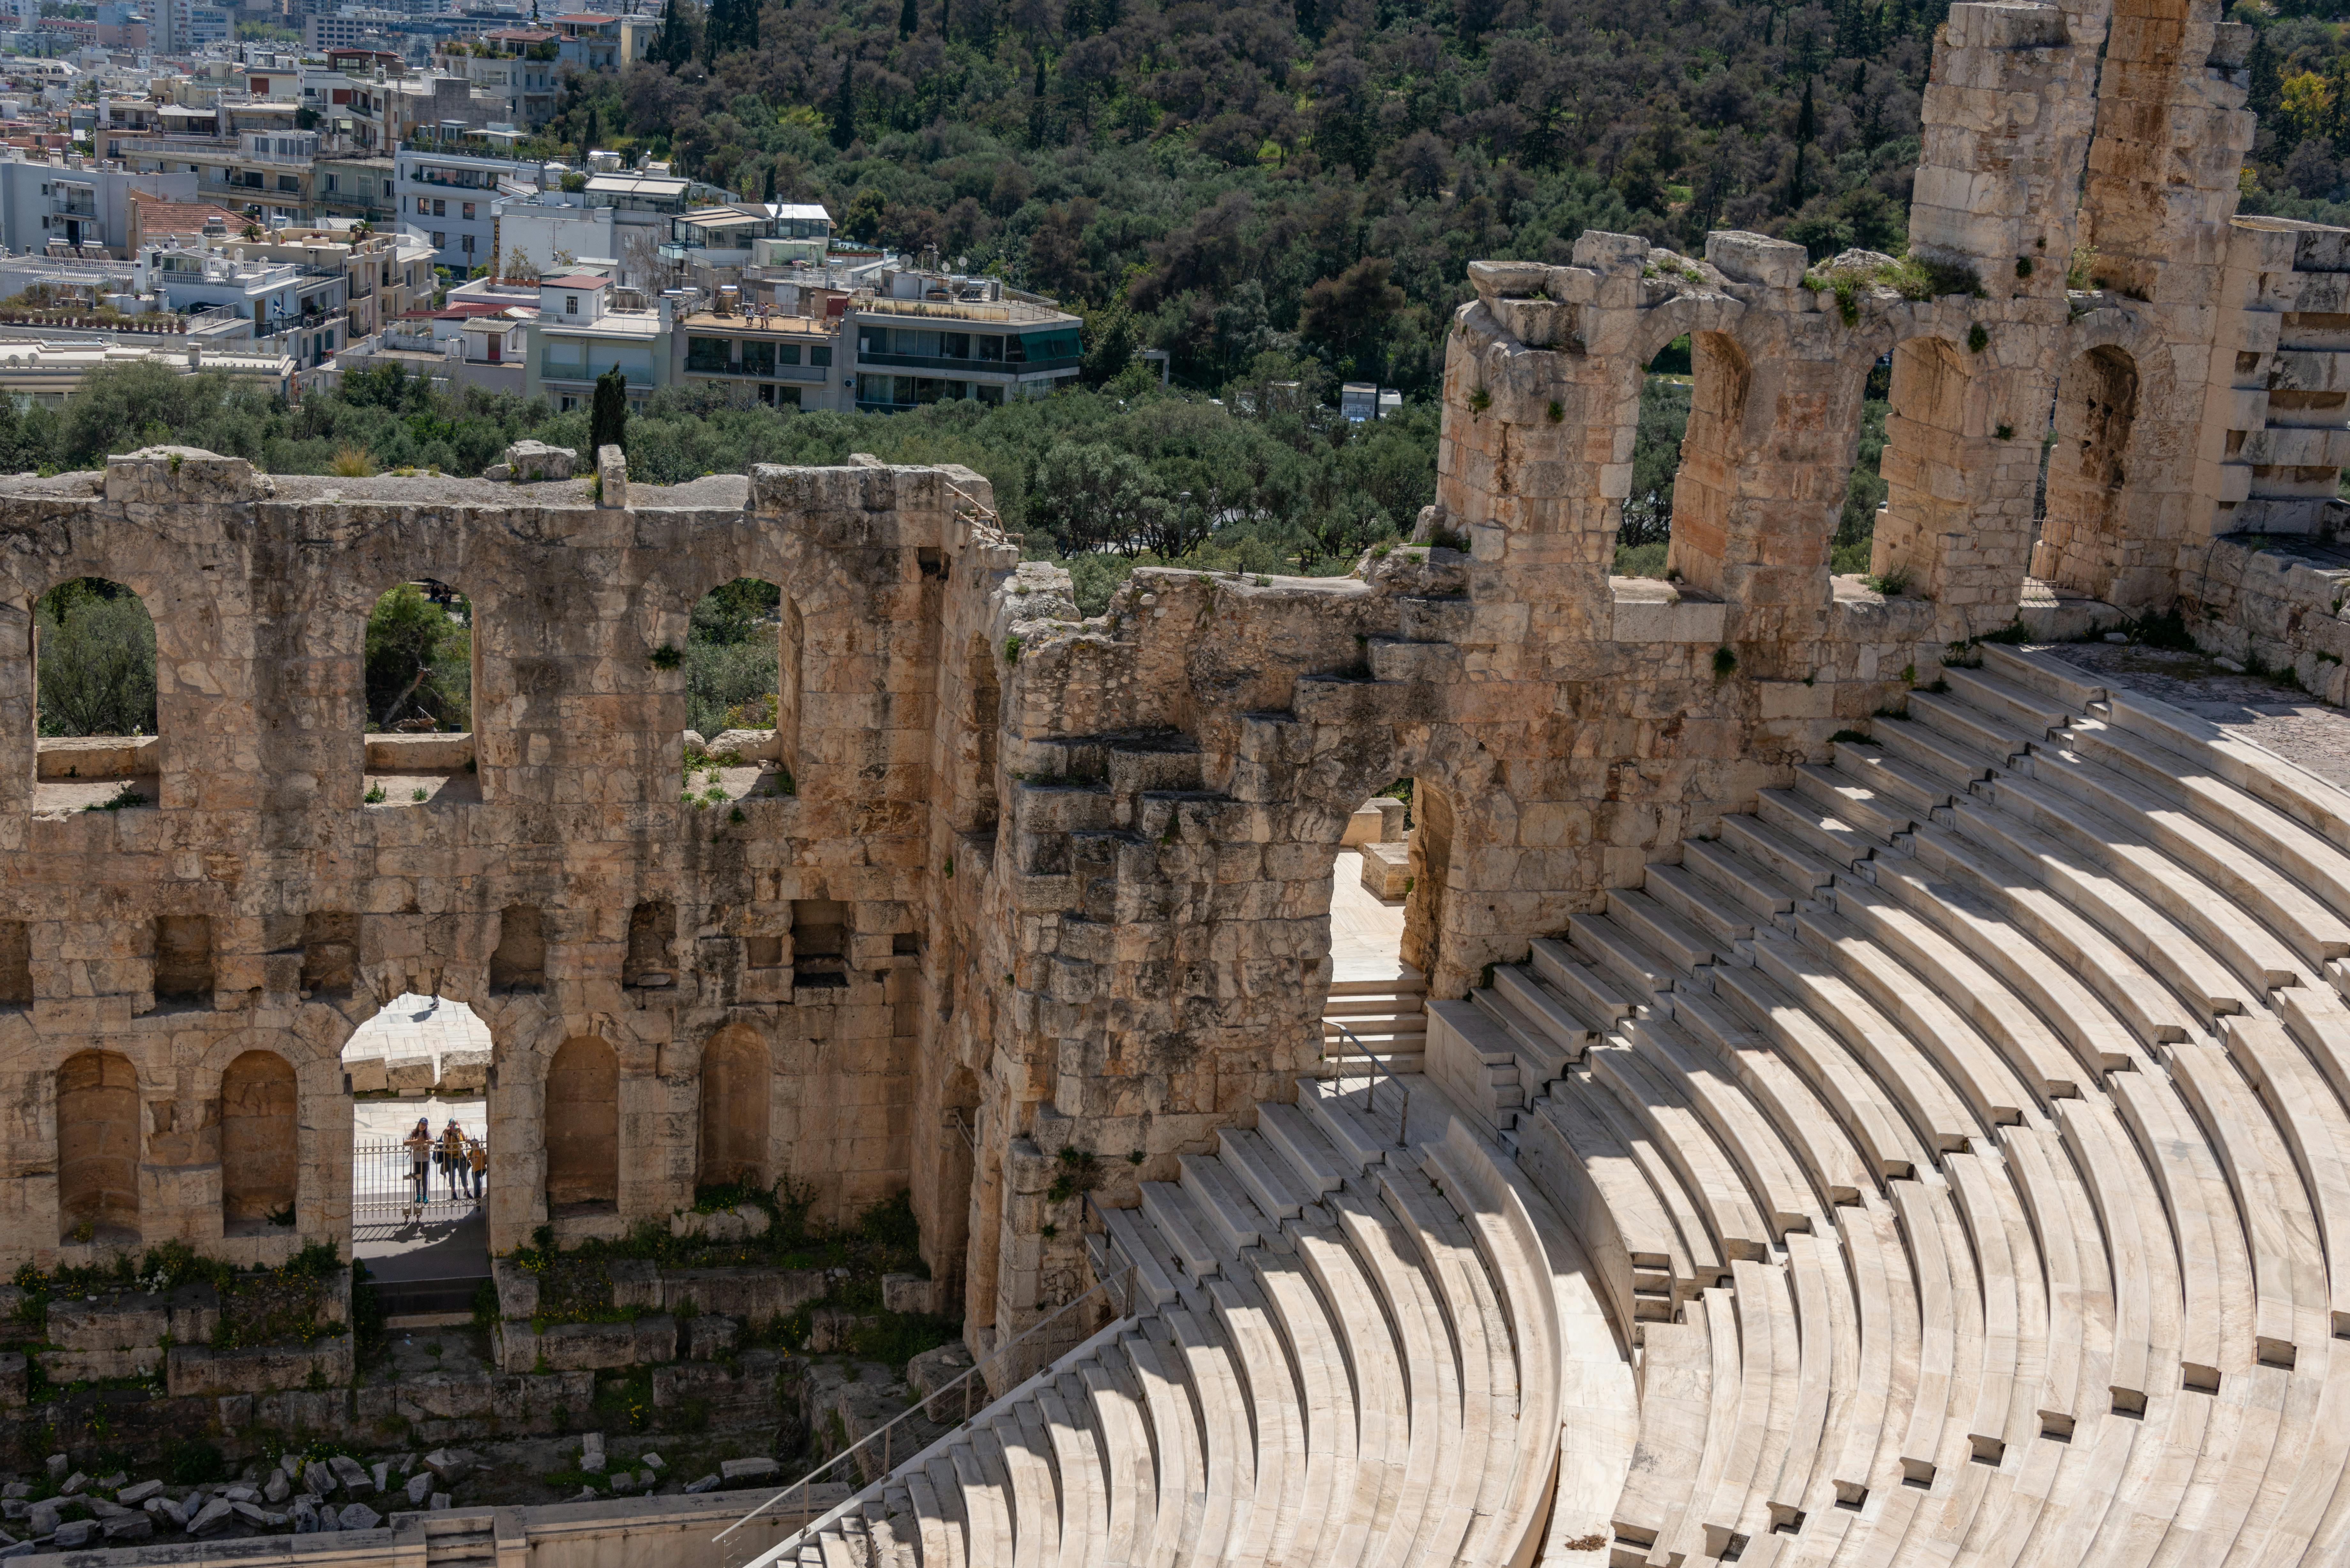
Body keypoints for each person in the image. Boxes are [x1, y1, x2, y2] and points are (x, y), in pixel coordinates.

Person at [403, 1118, 432, 1215]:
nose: (423, 1126)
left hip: (425, 1159)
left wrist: (425, 1141)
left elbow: (433, 1142)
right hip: (416, 1158)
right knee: (417, 1177)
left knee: (425, 1177)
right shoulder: (414, 1133)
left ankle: (425, 1195)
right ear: (419, 1124)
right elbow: (405, 1142)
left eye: (425, 1125)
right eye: (422, 1124)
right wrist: (416, 1141)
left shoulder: (427, 1133)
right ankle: (418, 1195)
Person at [442, 1119, 469, 1200]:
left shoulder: (460, 1131)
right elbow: (446, 1143)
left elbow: (464, 1139)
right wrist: (446, 1132)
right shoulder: (448, 1133)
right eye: (453, 1128)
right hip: (451, 1158)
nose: (455, 1129)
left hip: (460, 1157)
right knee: (452, 1176)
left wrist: (469, 1141)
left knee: (464, 1174)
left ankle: (466, 1191)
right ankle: (454, 1192)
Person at [467, 1137, 487, 1206]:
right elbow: (468, 1159)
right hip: (474, 1170)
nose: (478, 1145)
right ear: (472, 1146)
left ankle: (478, 1194)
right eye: (476, 1144)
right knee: (476, 1183)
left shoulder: (482, 1151)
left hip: (482, 1169)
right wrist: (471, 1158)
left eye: (478, 1144)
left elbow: (485, 1159)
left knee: (477, 1178)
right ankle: (477, 1200)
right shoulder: (470, 1152)